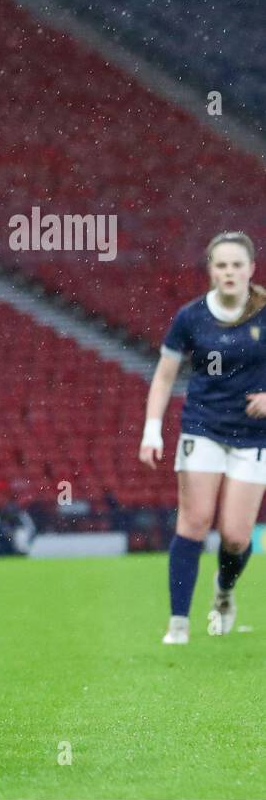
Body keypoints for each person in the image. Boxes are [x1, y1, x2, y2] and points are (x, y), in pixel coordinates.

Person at [141, 231, 260, 644]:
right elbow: (164, 376)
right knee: (193, 523)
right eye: (221, 265)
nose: (229, 272)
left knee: (236, 536)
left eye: (236, 264)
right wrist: (152, 430)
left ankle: (224, 593)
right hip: (202, 427)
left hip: (253, 436)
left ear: (251, 269)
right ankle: (179, 622)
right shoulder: (190, 317)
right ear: (211, 270)